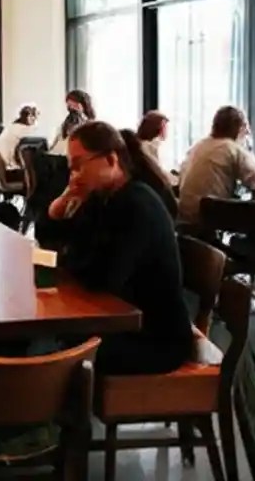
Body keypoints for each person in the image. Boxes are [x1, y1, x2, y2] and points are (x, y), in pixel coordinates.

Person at [45, 122, 193, 375]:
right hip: (121, 324)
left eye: (79, 164)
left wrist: (72, 258)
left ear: (111, 160)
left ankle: (65, 413)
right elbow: (55, 243)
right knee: (47, 341)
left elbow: (102, 278)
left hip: (154, 340)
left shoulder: (136, 205)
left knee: (51, 352)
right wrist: (61, 206)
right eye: (71, 167)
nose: (74, 174)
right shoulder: (102, 199)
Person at [176, 106, 255, 225]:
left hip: (184, 224)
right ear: (241, 129)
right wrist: (247, 149)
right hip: (210, 222)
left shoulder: (198, 146)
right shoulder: (232, 148)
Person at [0, 104, 38, 170]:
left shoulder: (14, 125)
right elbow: (34, 130)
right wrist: (36, 120)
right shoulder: (20, 128)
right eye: (31, 116)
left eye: (34, 116)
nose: (33, 118)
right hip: (4, 159)